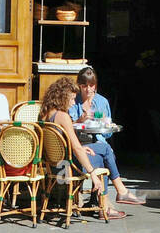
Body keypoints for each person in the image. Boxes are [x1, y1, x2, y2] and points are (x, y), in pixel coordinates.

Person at [64, 67, 144, 206]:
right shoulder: (73, 101)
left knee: (105, 151)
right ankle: (106, 202)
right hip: (79, 146)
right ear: (79, 86)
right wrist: (79, 120)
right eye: (84, 86)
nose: (88, 90)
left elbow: (108, 133)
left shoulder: (102, 102)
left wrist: (105, 123)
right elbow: (68, 128)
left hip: (96, 142)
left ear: (96, 85)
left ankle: (102, 202)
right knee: (107, 154)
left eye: (92, 86)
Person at [40, 77, 113, 213]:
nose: (74, 103)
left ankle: (98, 201)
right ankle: (106, 206)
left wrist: (82, 149)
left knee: (101, 149)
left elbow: (62, 143)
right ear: (62, 97)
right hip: (67, 168)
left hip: (54, 166)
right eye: (72, 99)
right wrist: (92, 174)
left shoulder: (45, 113)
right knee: (104, 152)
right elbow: (76, 148)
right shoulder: (63, 116)